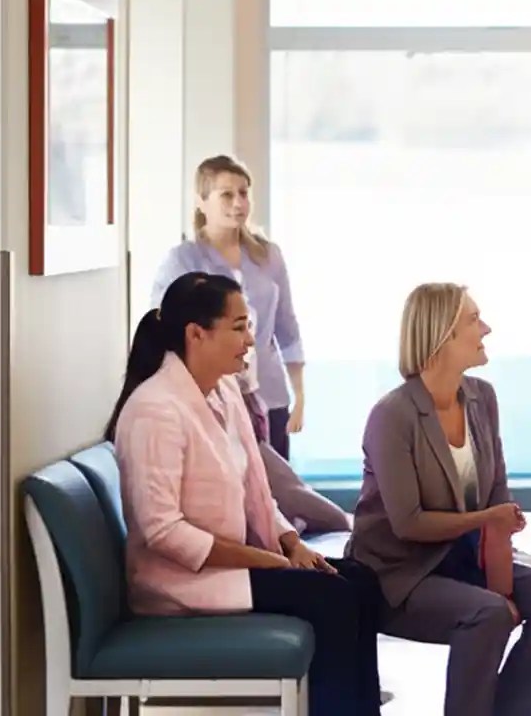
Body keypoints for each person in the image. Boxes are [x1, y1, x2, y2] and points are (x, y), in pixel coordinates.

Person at [106, 272, 382, 716]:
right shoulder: (154, 410)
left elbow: (255, 488)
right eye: (238, 327)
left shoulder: (225, 392)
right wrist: (268, 560)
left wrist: (290, 542)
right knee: (333, 598)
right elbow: (163, 532)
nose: (251, 339)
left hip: (235, 563)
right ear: (197, 333)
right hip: (182, 582)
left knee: (361, 581)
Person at [346, 283, 531, 716]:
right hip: (400, 576)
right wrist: (487, 520)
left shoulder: (481, 398)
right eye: (474, 321)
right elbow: (409, 523)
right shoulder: (392, 416)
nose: (486, 328)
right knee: (488, 614)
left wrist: (502, 582)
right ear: (441, 335)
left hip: (464, 561)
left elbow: (497, 498)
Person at [151, 154, 305, 461]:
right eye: (226, 194)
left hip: (270, 396)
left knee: (277, 490)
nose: (238, 203)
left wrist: (299, 395)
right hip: (211, 399)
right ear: (201, 201)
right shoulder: (183, 260)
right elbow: (164, 334)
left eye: (244, 193)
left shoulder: (268, 256)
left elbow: (287, 330)